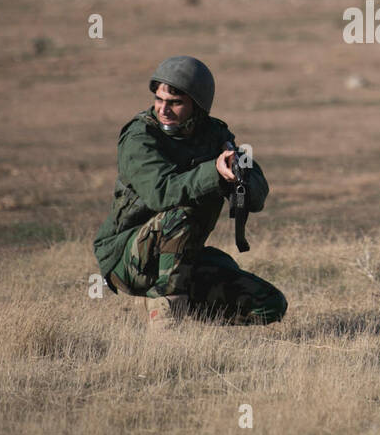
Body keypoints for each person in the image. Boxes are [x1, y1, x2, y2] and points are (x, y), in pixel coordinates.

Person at [93, 55, 286, 328]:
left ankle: (177, 308)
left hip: (182, 255)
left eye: (175, 102)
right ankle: (166, 330)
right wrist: (213, 172)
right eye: (159, 100)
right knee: (179, 217)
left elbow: (257, 197)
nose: (163, 109)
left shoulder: (215, 135)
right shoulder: (140, 138)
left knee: (269, 303)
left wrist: (237, 178)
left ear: (197, 105)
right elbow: (160, 193)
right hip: (126, 259)